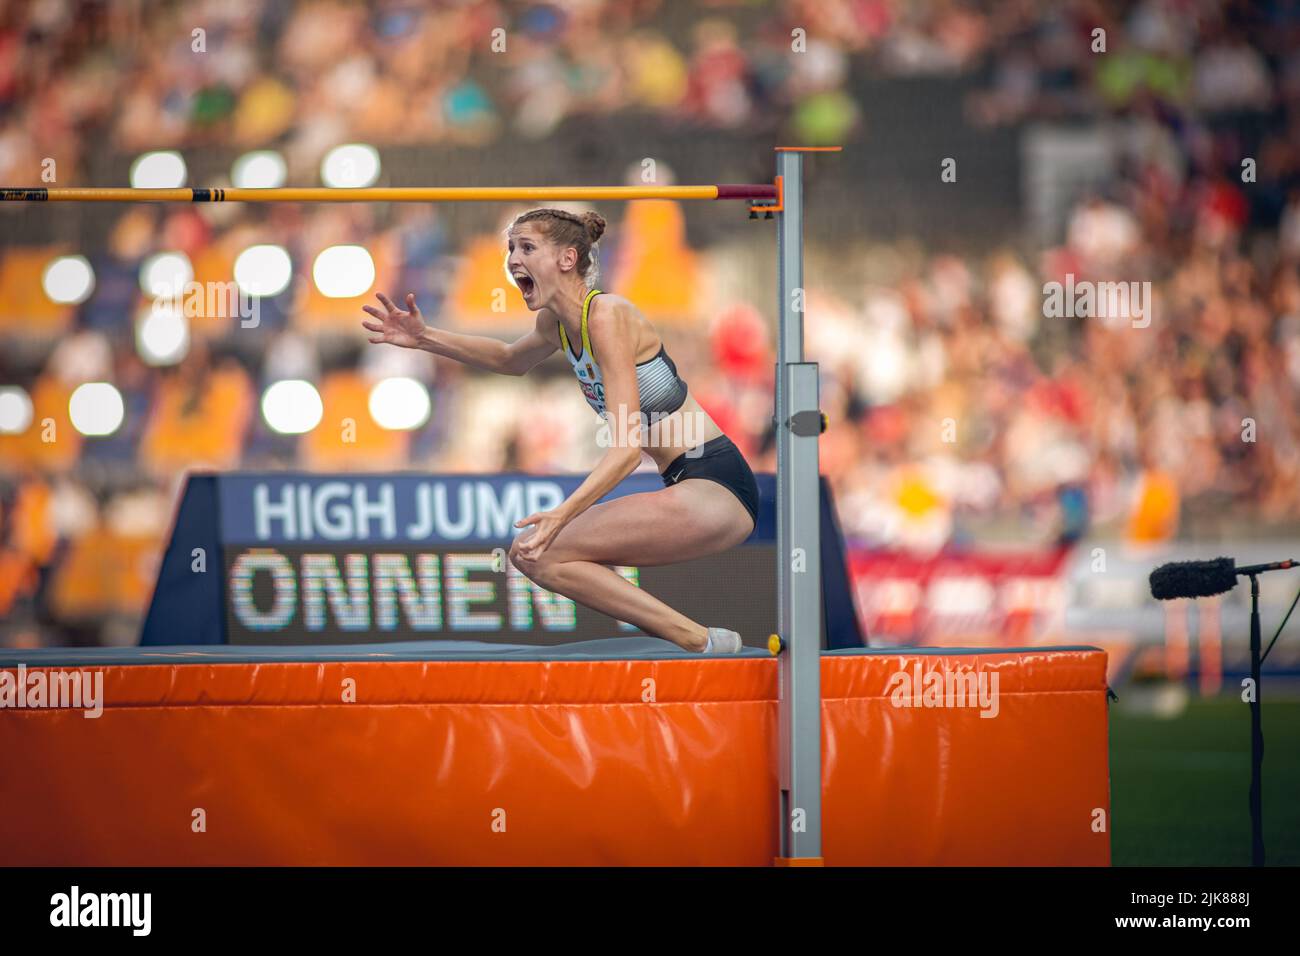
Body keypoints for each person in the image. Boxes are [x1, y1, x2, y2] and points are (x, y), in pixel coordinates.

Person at [362, 208, 758, 652]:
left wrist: (561, 514)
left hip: (715, 485)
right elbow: (508, 360)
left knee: (541, 545)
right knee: (533, 554)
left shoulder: (606, 315)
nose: (513, 258)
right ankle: (701, 639)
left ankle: (698, 640)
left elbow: (626, 453)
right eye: (511, 247)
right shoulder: (555, 323)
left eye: (527, 247)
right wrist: (425, 338)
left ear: (568, 259)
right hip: (686, 483)